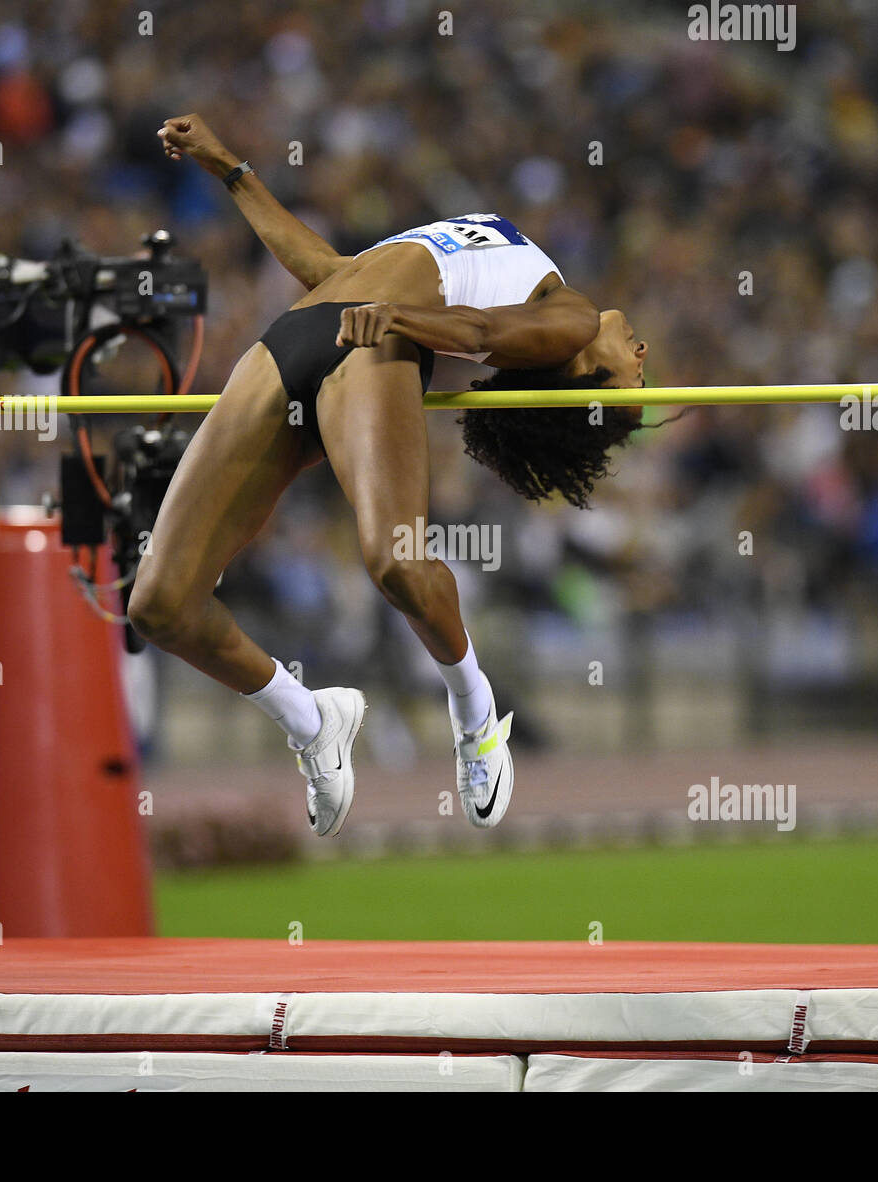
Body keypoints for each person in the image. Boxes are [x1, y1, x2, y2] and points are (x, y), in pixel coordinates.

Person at [129, 114, 648, 838]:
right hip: (306, 331)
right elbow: (332, 273)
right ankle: (312, 720)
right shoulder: (527, 277)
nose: (642, 352)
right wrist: (232, 171)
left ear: (586, 379)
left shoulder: (572, 320)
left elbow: (477, 335)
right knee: (158, 605)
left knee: (396, 563)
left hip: (373, 349)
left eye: (634, 374)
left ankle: (474, 713)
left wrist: (393, 314)